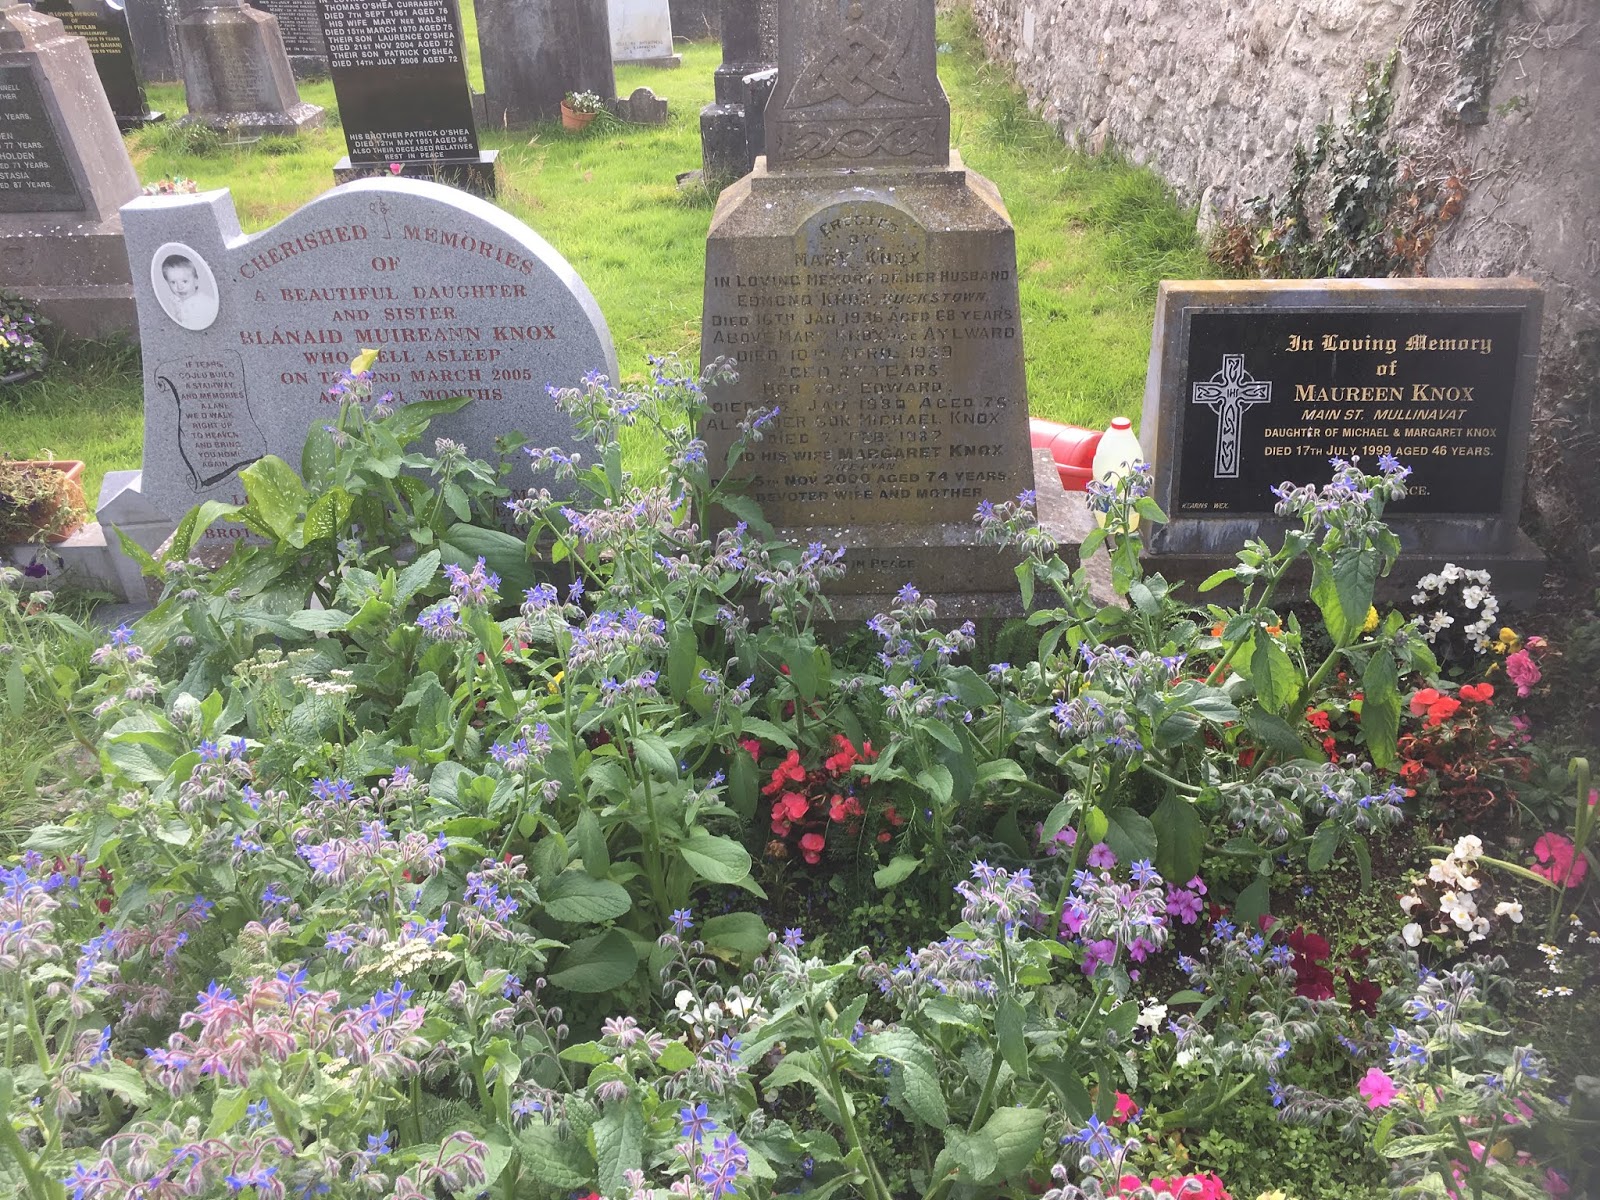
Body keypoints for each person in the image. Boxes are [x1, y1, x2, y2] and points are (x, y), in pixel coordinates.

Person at [158, 252, 218, 329]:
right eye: (173, 282)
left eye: (185, 281)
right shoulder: (173, 302)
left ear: (196, 281)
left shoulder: (205, 302)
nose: (179, 287)